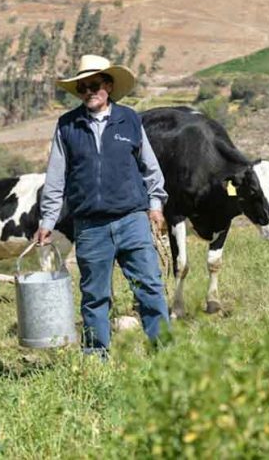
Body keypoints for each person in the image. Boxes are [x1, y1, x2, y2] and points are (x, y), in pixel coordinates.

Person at [36, 54, 170, 357]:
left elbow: (151, 168)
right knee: (94, 296)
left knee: (149, 287)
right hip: (90, 227)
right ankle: (96, 360)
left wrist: (156, 204)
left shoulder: (131, 120)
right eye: (82, 87)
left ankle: (165, 355)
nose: (88, 92)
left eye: (94, 85)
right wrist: (47, 221)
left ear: (108, 86)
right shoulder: (67, 126)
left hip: (132, 219)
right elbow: (56, 177)